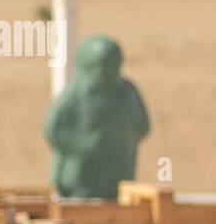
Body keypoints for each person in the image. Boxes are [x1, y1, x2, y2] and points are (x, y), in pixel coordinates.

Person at [44, 34, 150, 199]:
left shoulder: (126, 92)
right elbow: (53, 130)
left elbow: (143, 126)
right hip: (79, 182)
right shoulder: (77, 93)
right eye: (101, 67)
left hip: (118, 178)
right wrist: (82, 145)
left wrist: (118, 140)